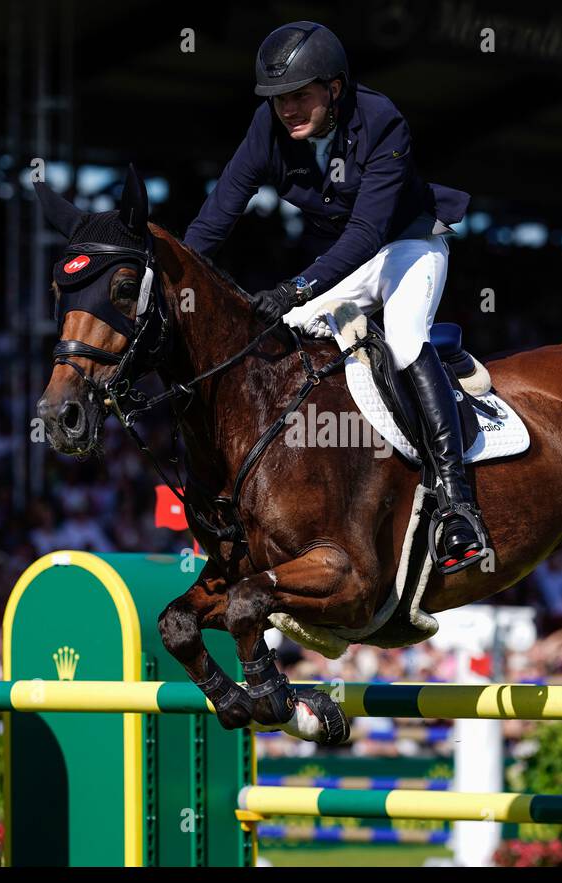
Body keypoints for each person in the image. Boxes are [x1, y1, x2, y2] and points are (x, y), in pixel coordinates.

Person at [184, 20, 489, 574]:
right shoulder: (266, 127)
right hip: (343, 260)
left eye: (301, 95)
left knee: (401, 340)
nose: (288, 110)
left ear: (336, 88)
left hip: (408, 246)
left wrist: (297, 288)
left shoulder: (382, 121)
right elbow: (222, 207)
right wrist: (175, 269)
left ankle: (456, 504)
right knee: (277, 339)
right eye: (278, 100)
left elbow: (367, 235)